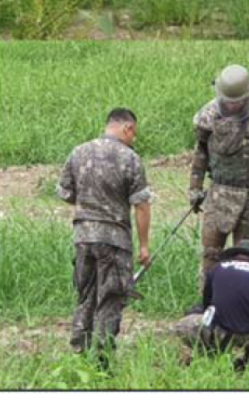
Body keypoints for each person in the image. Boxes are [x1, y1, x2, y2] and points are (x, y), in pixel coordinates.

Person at [56, 108, 153, 364]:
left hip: (83, 237)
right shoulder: (130, 159)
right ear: (127, 128)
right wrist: (144, 246)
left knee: (85, 293)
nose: (134, 139)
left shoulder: (78, 152)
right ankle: (102, 359)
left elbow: (65, 193)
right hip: (115, 240)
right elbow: (141, 205)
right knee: (111, 297)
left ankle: (79, 349)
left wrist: (90, 206)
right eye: (134, 133)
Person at [188, 65, 249, 310]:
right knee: (210, 253)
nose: (231, 106)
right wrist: (195, 188)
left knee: (246, 255)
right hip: (219, 192)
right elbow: (200, 154)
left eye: (237, 102)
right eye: (227, 102)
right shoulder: (207, 116)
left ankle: (243, 303)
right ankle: (207, 301)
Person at [173, 239, 249, 371]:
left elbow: (208, 306)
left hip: (221, 333)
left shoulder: (217, 268)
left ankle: (212, 353)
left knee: (183, 325)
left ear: (234, 255)